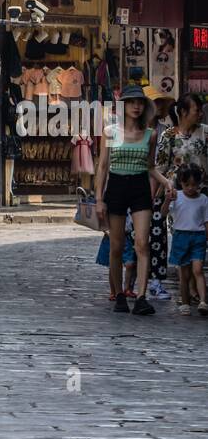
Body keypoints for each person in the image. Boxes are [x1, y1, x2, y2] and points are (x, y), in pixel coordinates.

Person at [94, 85, 175, 315]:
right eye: (131, 102)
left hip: (140, 186)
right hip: (117, 186)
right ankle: (119, 294)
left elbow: (150, 167)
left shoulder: (151, 135)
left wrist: (166, 182)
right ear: (124, 106)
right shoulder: (110, 132)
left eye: (140, 102)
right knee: (117, 246)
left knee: (142, 243)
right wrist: (99, 198)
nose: (136, 106)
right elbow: (102, 167)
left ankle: (140, 296)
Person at [162, 164, 208, 315]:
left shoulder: (203, 200)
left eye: (194, 185)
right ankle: (185, 301)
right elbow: (163, 213)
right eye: (186, 184)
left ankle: (203, 301)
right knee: (184, 274)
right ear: (181, 183)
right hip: (181, 236)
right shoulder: (177, 196)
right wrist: (168, 200)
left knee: (198, 270)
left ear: (199, 184)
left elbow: (206, 221)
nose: (190, 188)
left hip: (198, 237)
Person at [145, 86, 176, 300]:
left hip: (156, 191)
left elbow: (163, 164)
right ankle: (130, 282)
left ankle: (156, 281)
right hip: (132, 189)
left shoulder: (166, 131)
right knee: (134, 240)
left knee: (157, 237)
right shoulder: (123, 130)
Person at [96, 215, 137, 300]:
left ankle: (127, 289)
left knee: (130, 264)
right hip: (112, 236)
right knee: (113, 266)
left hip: (127, 237)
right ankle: (113, 292)